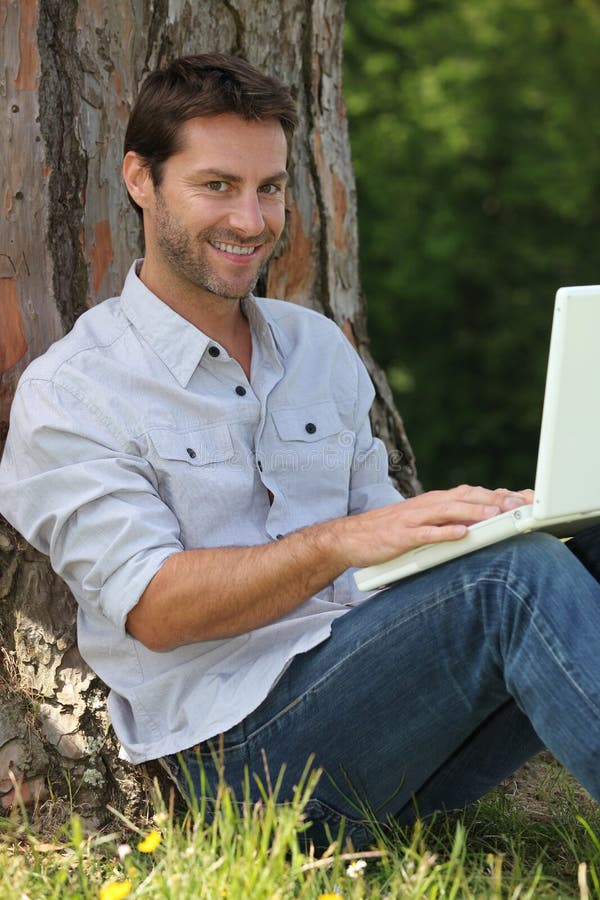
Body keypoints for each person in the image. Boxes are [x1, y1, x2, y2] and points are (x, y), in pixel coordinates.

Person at [1, 52, 600, 850]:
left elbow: (388, 548)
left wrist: (489, 522)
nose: (251, 221)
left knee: (566, 547)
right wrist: (341, 542)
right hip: (245, 761)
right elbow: (154, 609)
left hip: (394, 720)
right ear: (141, 179)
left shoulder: (315, 348)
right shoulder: (74, 391)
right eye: (218, 186)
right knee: (512, 582)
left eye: (270, 188)